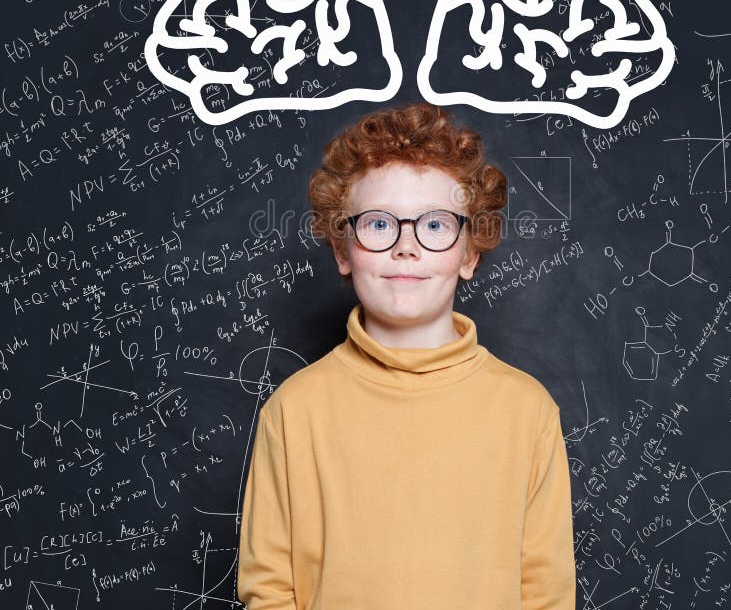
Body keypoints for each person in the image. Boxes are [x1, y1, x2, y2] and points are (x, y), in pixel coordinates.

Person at [236, 101, 576, 609]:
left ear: (470, 252)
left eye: (436, 225)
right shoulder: (293, 412)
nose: (406, 247)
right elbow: (268, 591)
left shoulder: (527, 412)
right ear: (342, 250)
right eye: (378, 224)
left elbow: (546, 594)